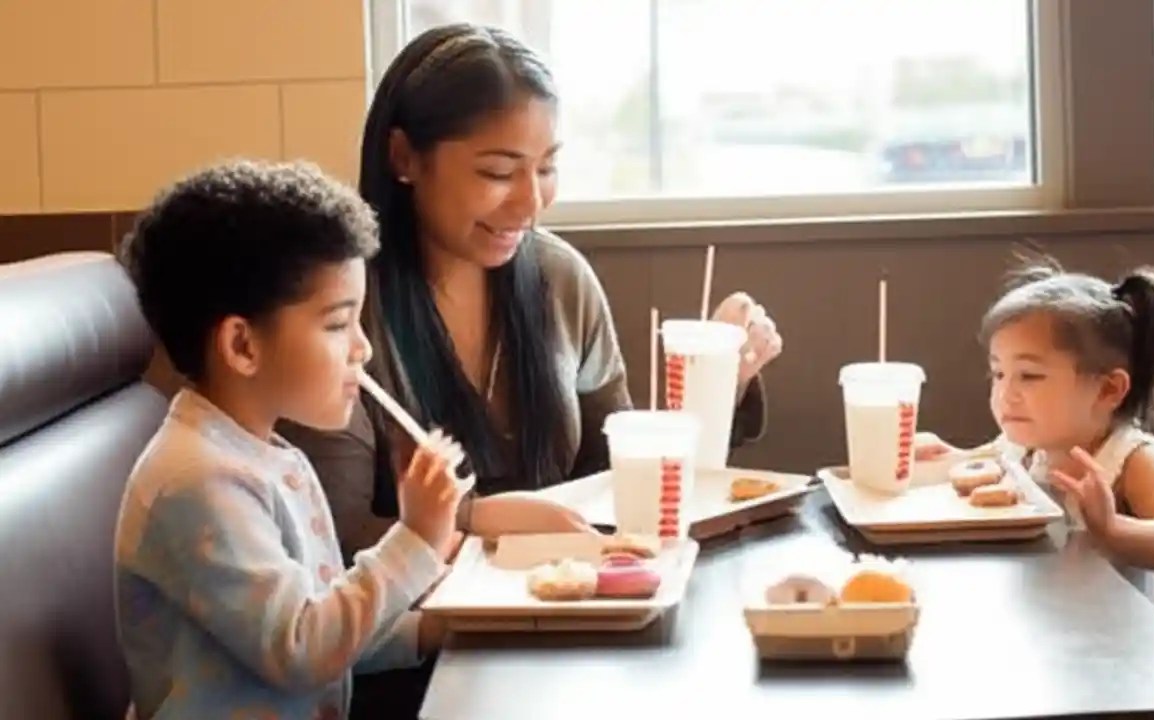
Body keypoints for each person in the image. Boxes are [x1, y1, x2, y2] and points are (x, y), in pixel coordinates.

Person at [280, 22, 783, 566]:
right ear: (404, 157)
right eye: (498, 172)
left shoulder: (561, 280)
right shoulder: (345, 311)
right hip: (418, 639)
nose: (531, 205)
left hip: (571, 605)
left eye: (546, 168)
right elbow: (341, 537)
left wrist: (717, 391)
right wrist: (475, 520)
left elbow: (611, 480)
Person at [114, 160, 462, 719]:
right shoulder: (198, 481)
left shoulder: (269, 456)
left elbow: (326, 624)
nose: (363, 349)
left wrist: (439, 629)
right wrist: (415, 541)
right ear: (242, 346)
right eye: (337, 324)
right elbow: (303, 648)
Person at [919, 257, 1154, 595]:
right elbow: (979, 464)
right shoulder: (1021, 445)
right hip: (1037, 623)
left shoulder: (1132, 458)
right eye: (999, 374)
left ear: (1109, 389)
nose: (1006, 394)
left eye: (1030, 376)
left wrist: (1111, 528)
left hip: (1111, 638)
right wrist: (946, 457)